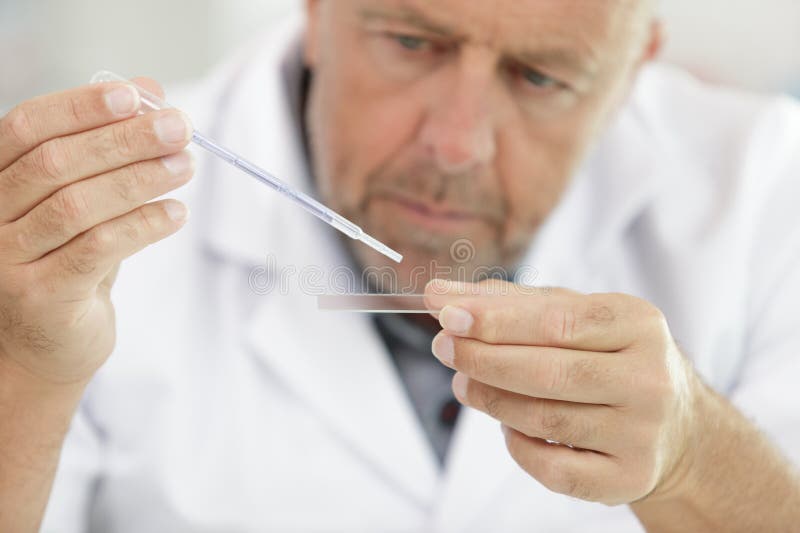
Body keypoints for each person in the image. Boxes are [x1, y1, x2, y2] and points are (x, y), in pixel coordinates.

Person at [1, 1, 799, 531]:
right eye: (413, 44)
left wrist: (695, 459)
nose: (456, 144)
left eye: (541, 77)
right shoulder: (85, 231)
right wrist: (27, 375)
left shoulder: (766, 187)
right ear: (317, 12)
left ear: (631, 71)